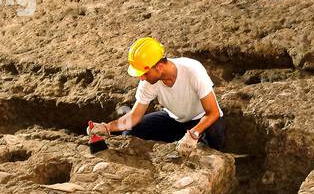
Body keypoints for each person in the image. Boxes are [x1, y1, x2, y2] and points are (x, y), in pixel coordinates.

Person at [88, 37, 225, 154]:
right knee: (131, 132)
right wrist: (107, 127)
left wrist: (193, 134)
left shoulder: (192, 71)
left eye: (145, 73)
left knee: (212, 137)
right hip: (174, 120)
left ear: (159, 67)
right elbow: (134, 116)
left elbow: (213, 112)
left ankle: (215, 155)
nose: (142, 78)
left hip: (202, 120)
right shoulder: (148, 82)